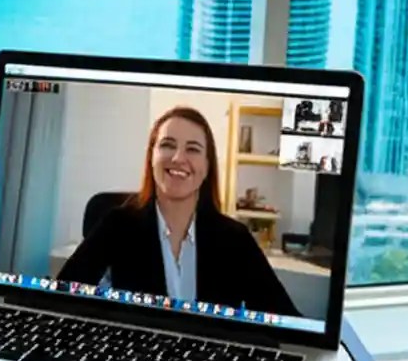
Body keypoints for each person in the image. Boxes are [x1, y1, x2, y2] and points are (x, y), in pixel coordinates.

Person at [58, 106, 302, 317]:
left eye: (193, 149)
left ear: (207, 167)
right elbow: (59, 296)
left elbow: (285, 318)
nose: (178, 158)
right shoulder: (118, 224)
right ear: (151, 157)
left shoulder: (235, 239)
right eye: (167, 145)